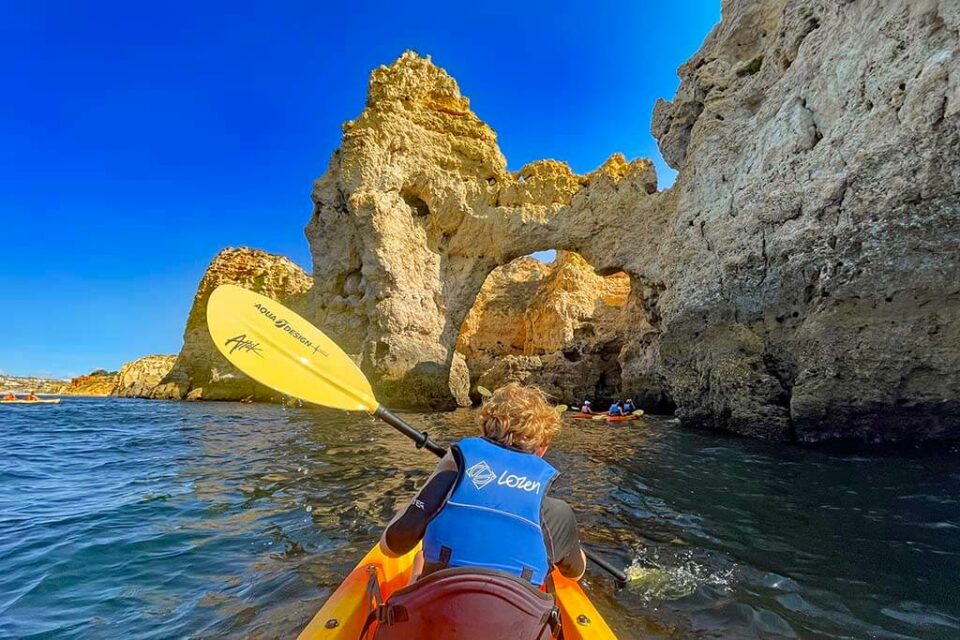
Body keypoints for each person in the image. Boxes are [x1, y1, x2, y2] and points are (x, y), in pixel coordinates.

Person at [374, 382, 586, 639]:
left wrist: (444, 472)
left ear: (484, 430)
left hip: (436, 629)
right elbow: (575, 571)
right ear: (542, 449)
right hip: (514, 631)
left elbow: (391, 546)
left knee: (418, 567)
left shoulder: (447, 485)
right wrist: (566, 539)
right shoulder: (556, 514)